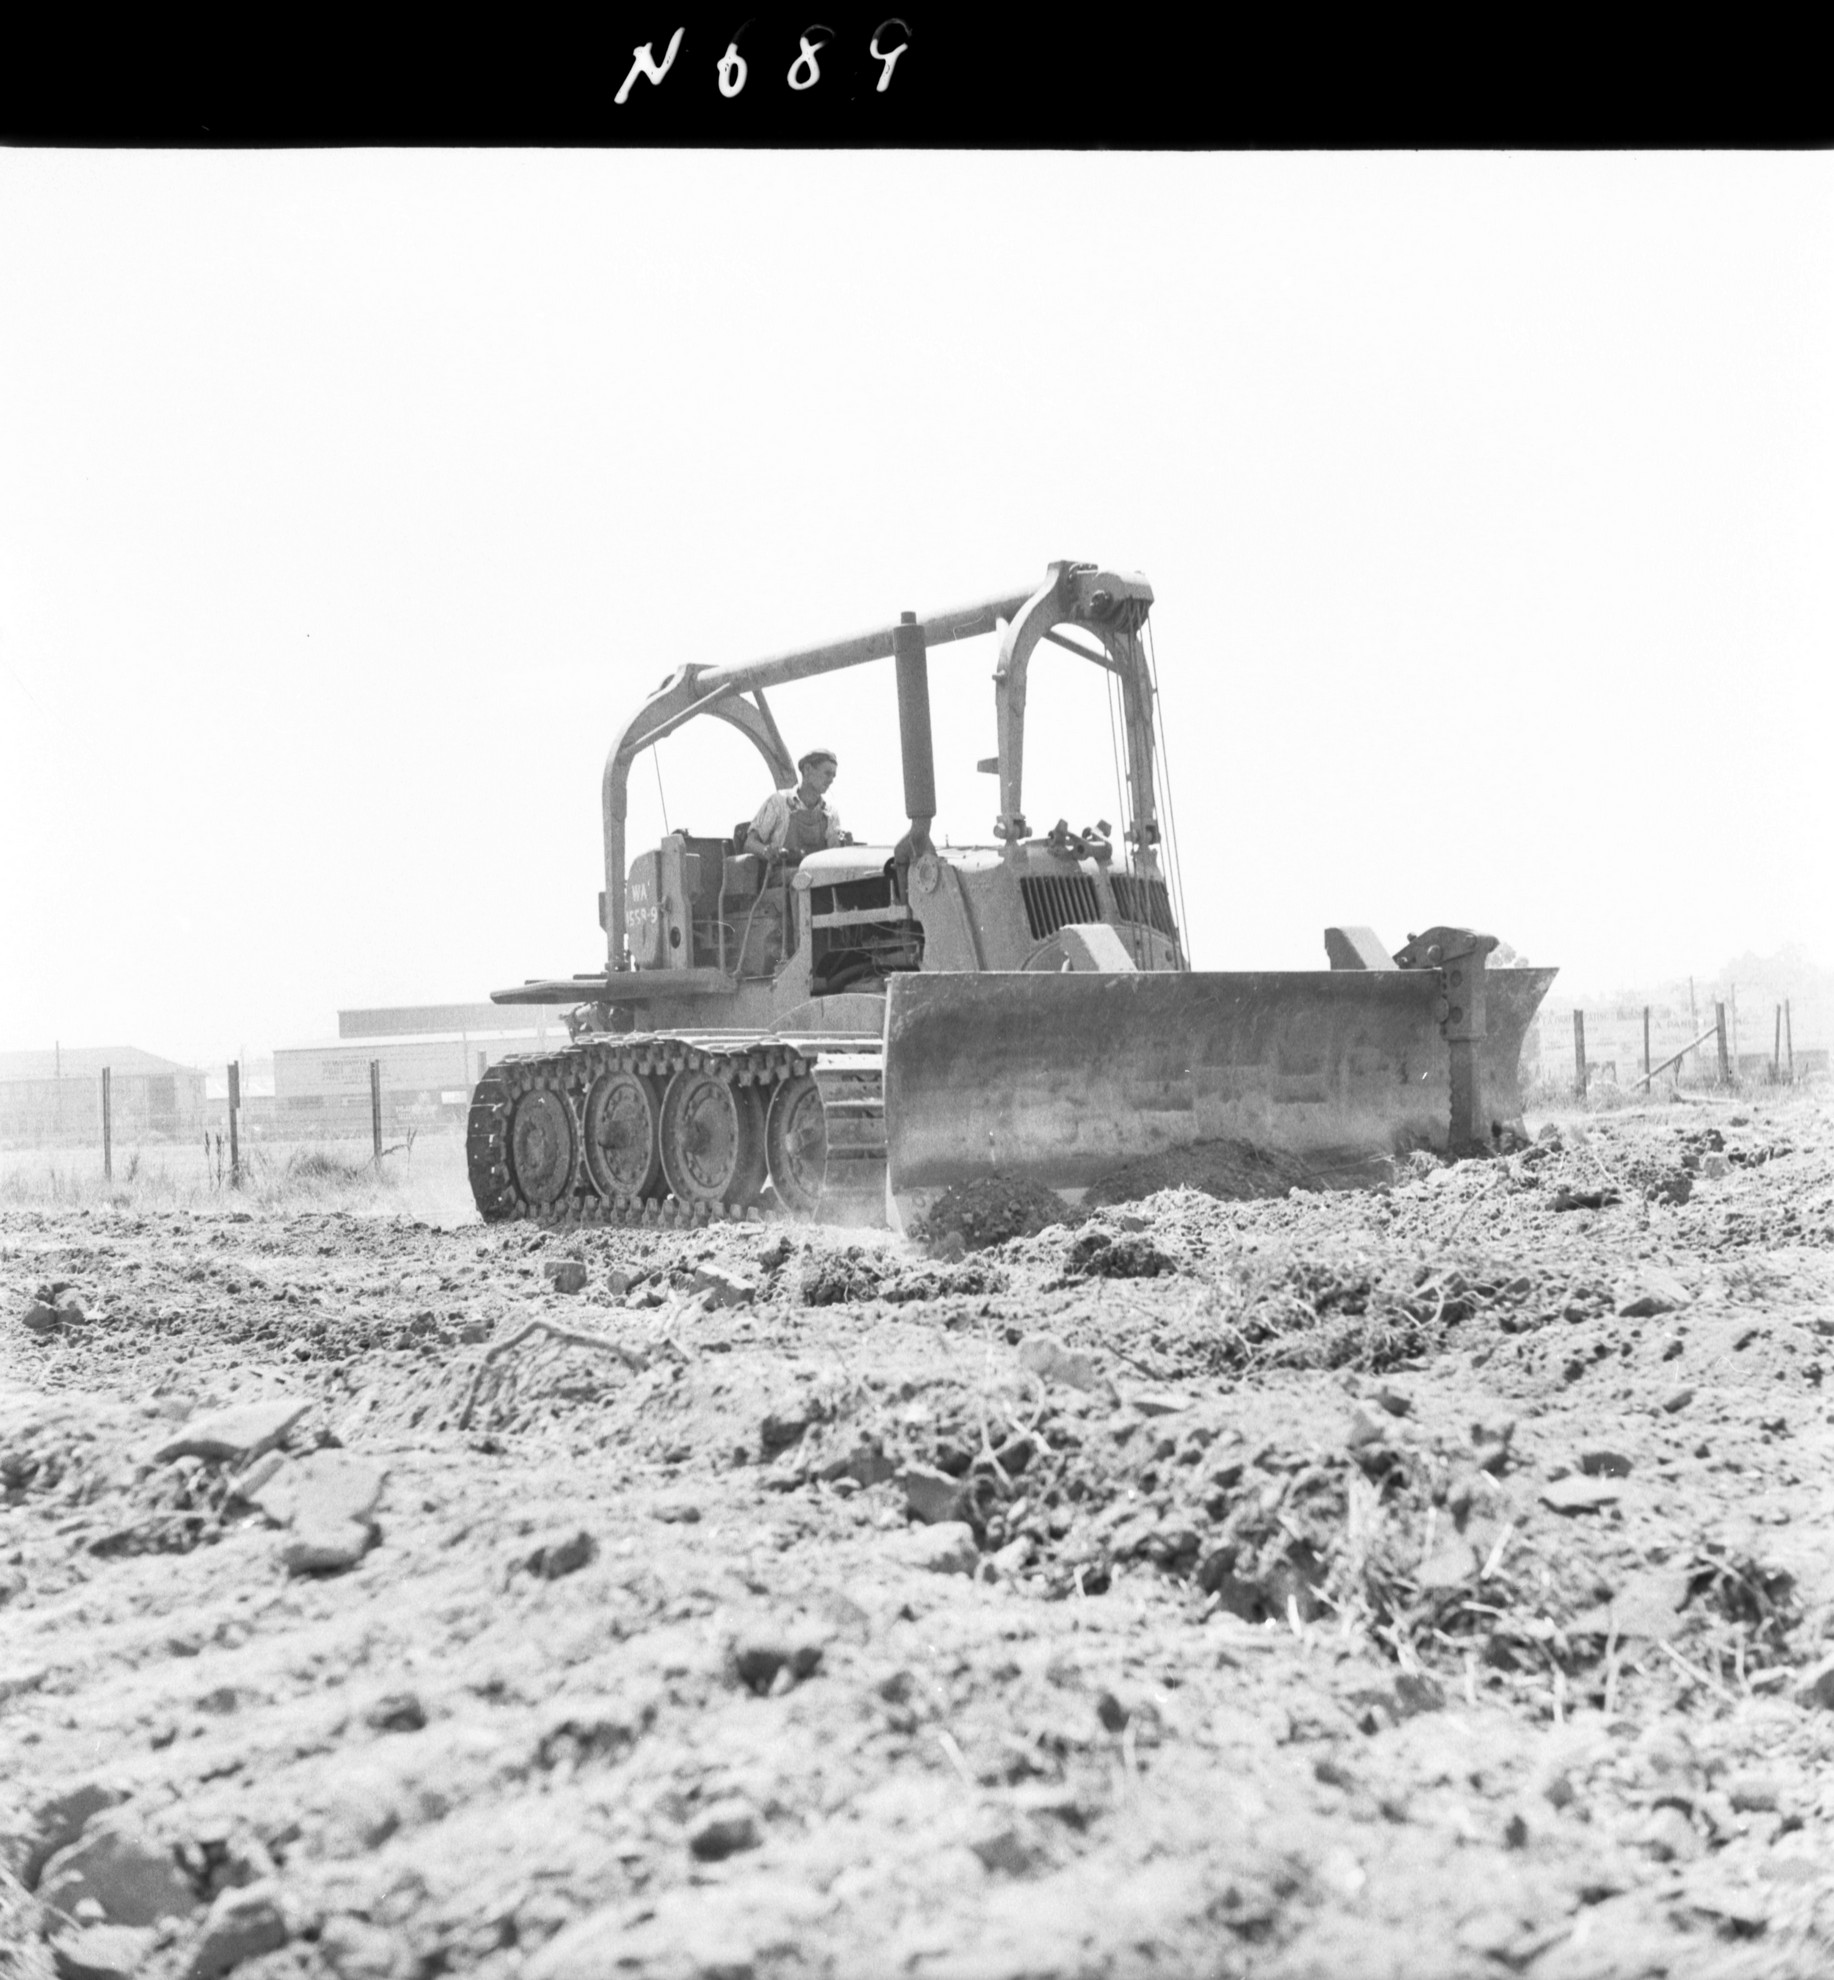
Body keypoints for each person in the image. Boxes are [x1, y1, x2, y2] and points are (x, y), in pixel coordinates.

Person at [744, 750, 846, 865]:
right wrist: (766, 852)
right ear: (807, 770)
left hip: (818, 878)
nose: (831, 780)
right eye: (827, 773)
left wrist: (844, 845)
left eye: (833, 775)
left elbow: (835, 855)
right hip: (781, 877)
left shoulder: (830, 813)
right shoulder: (779, 802)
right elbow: (750, 843)